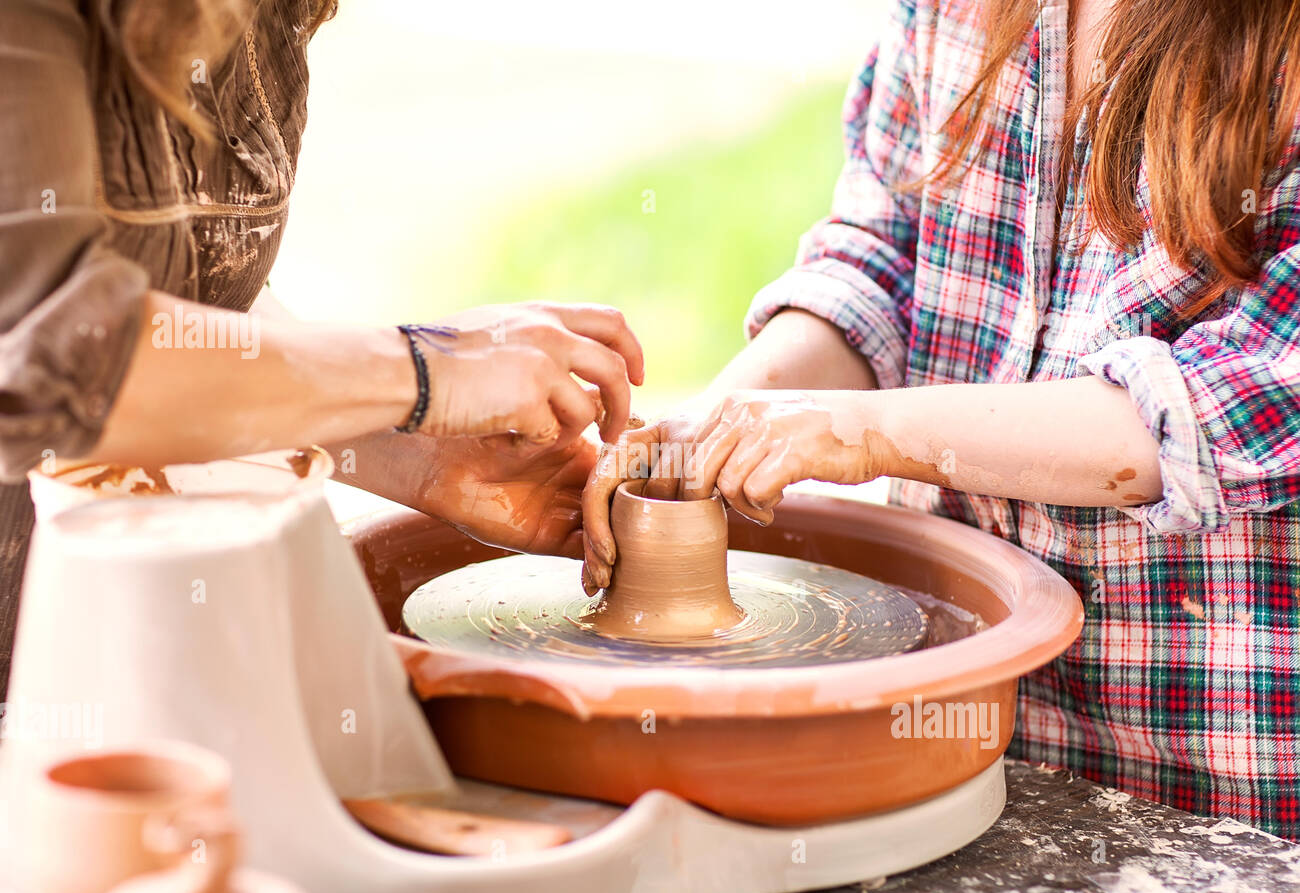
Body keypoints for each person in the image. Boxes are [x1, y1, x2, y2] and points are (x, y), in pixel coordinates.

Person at [584, 0, 1300, 839]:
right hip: (954, 727)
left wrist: (859, 432)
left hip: (1218, 779)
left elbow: (1235, 409)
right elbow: (880, 261)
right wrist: (718, 425)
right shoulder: (953, 12)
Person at [0, 0, 642, 681]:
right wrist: (423, 368)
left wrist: (398, 444)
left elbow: (199, 306)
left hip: (107, 626)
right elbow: (58, 360)